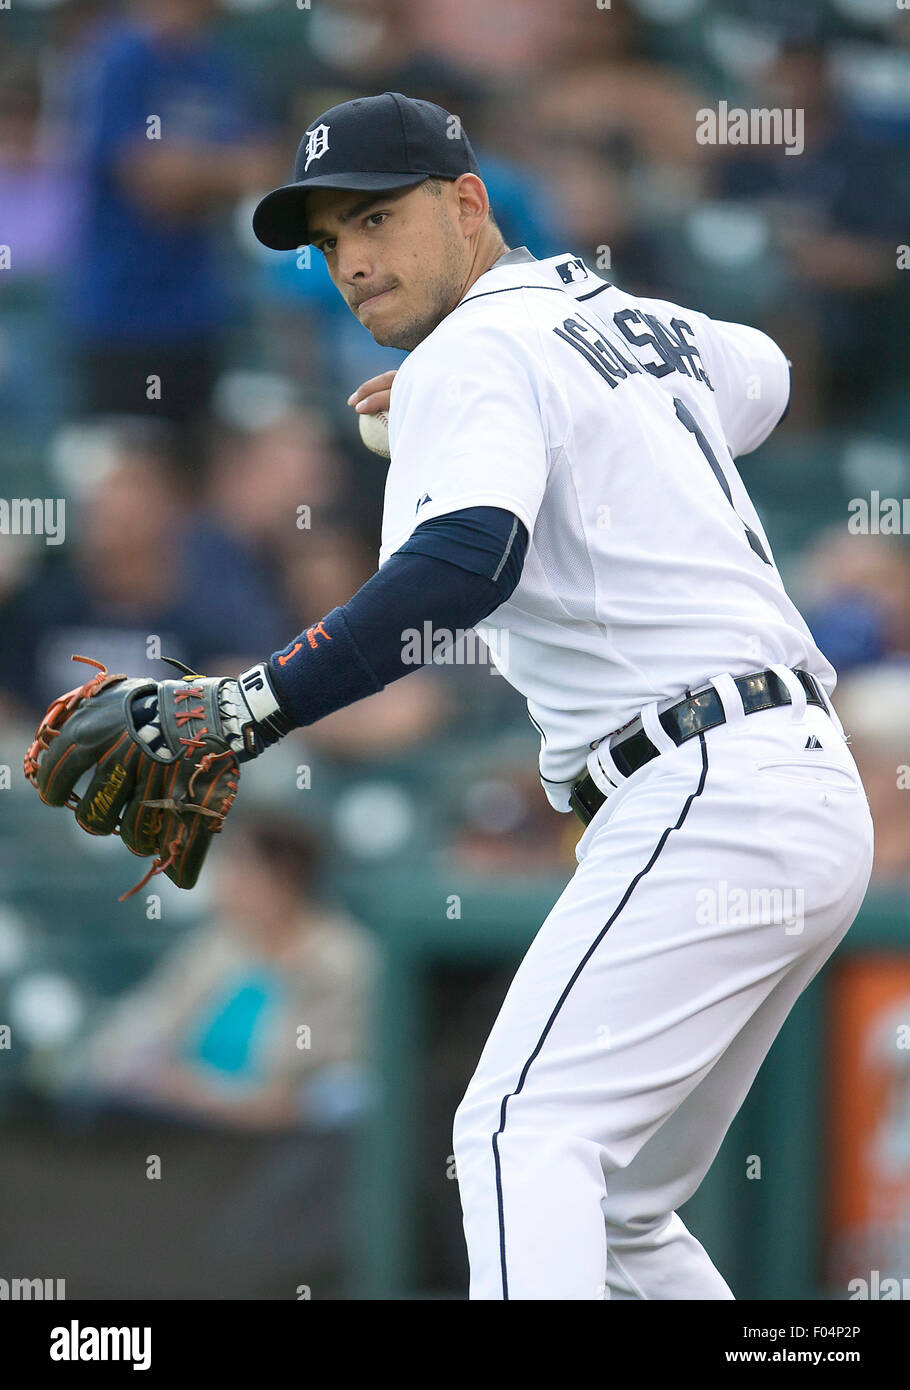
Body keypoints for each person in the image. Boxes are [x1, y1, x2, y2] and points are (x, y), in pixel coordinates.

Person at [37, 92, 875, 1300]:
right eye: (328, 241)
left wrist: (243, 707)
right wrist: (533, 404)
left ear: (468, 201)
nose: (353, 261)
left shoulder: (477, 347)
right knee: (624, 1212)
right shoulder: (606, 319)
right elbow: (767, 376)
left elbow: (461, 565)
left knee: (513, 1136)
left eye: (376, 216)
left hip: (705, 791)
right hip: (793, 785)